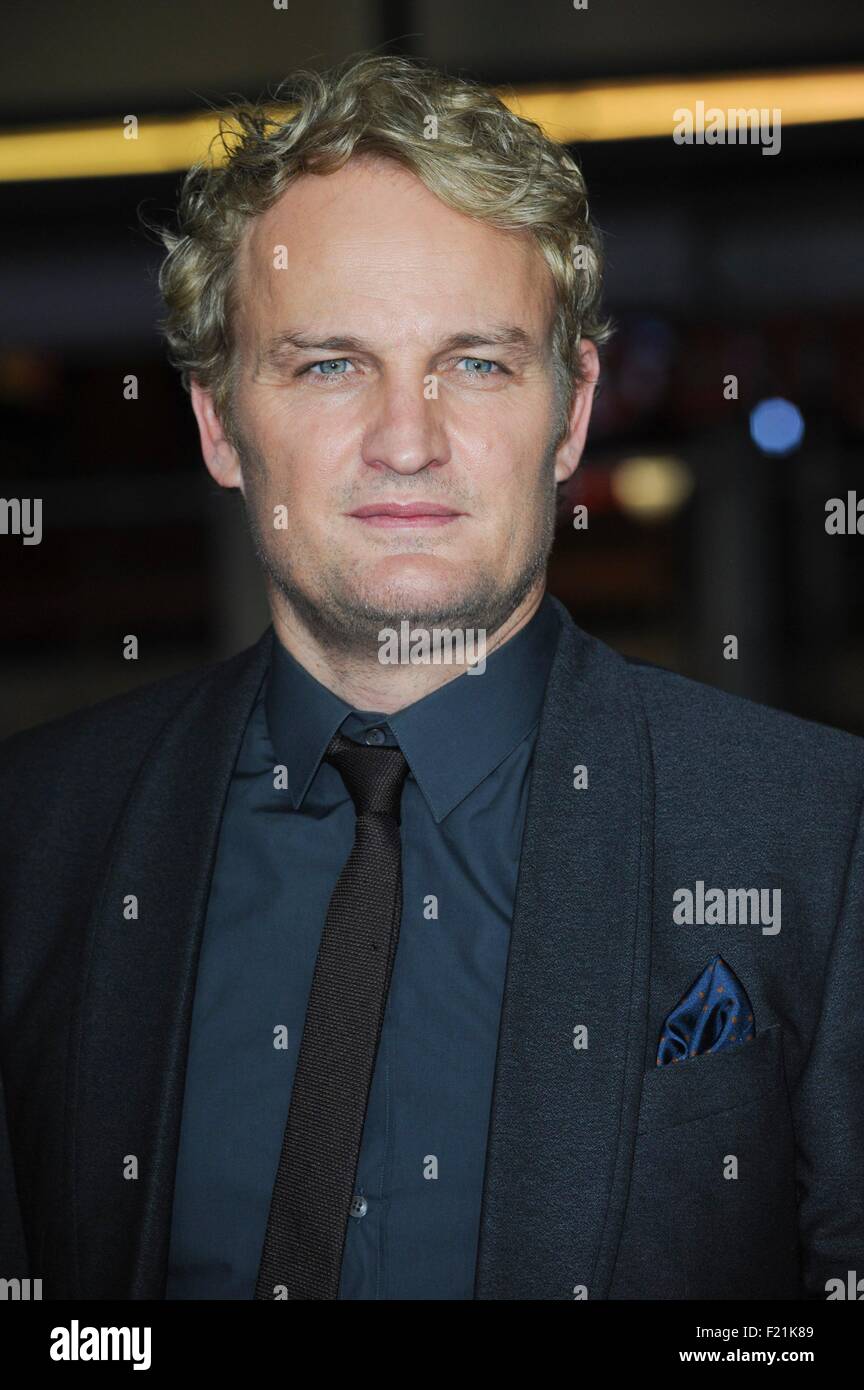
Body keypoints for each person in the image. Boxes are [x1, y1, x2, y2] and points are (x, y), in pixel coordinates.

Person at [1, 52, 862, 1302]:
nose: (408, 440)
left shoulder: (816, 835)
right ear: (217, 423)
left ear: (569, 416)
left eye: (476, 362)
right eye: (329, 364)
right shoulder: (34, 834)